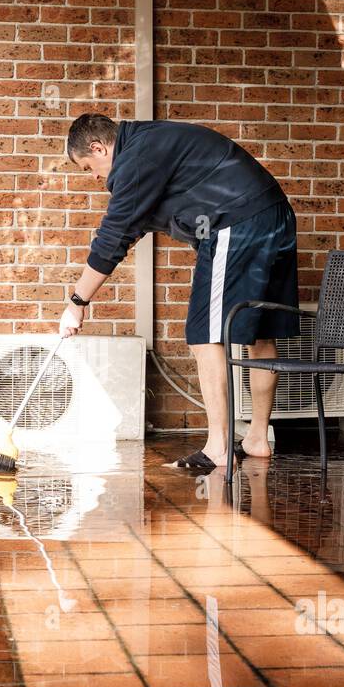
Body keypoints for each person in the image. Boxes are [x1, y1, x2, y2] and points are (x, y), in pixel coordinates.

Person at [59, 113, 300, 471]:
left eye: (89, 167)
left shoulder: (135, 158)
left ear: (99, 147)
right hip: (272, 214)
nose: (94, 177)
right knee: (261, 333)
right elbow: (131, 227)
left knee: (204, 336)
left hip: (235, 221)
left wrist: (77, 302)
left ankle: (218, 447)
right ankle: (257, 438)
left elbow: (113, 235)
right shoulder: (149, 146)